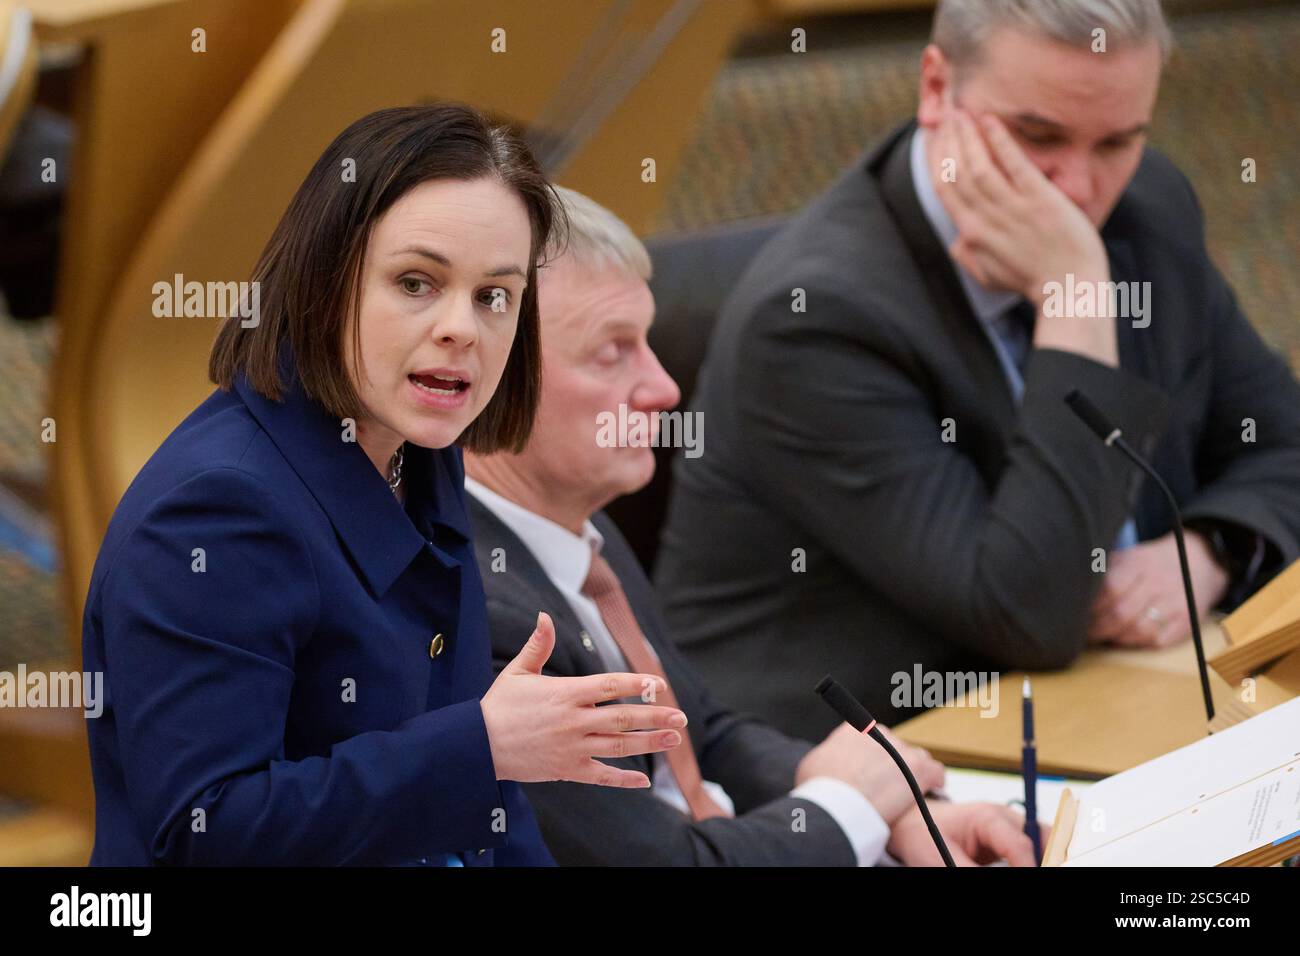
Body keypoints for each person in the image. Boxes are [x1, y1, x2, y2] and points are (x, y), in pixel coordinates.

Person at [654, 0, 1300, 737]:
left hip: (1116, 702)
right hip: (883, 761)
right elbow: (1030, 613)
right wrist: (1076, 301)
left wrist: (1207, 551)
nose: (1079, 192)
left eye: (1117, 142)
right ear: (936, 89)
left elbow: (1282, 442)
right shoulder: (814, 323)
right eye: (1037, 135)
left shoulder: (1148, 208)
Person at [81, 104, 687, 866]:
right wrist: (482, 746)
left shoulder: (419, 450)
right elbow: (208, 832)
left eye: (494, 296)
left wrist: (485, 753)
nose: (462, 328)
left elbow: (490, 813)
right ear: (325, 280)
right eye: (415, 282)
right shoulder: (216, 509)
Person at [464, 186, 1038, 866]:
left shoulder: (573, 529)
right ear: (491, 378)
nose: (663, 388)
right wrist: (843, 808)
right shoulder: (485, 616)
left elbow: (703, 735)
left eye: (646, 342)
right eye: (611, 352)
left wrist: (900, 813)